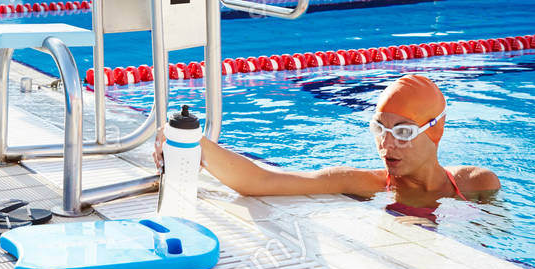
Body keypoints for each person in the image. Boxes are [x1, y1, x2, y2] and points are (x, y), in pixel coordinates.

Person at [154, 73, 499, 219]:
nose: (386, 144)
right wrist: (192, 142)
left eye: (404, 132)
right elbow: (262, 182)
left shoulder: (477, 183)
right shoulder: (365, 184)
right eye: (379, 128)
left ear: (434, 132)